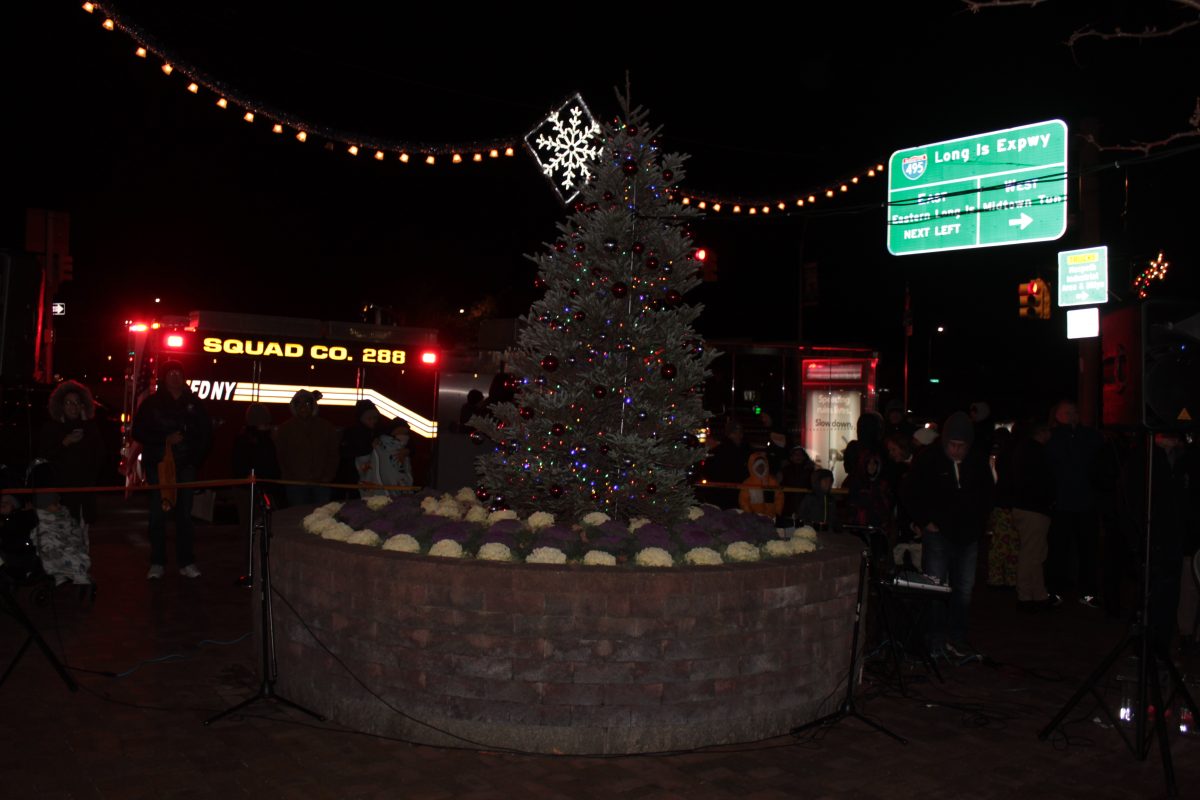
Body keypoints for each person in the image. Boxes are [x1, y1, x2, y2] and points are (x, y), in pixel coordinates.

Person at [900, 411, 993, 660]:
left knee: (963, 588)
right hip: (939, 533)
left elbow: (986, 496)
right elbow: (910, 491)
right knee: (936, 587)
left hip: (968, 535)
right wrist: (924, 520)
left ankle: (957, 637)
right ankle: (935, 638)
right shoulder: (929, 458)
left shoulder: (978, 461)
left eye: (961, 447)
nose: (956, 451)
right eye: (952, 445)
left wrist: (979, 525)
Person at [131, 360, 211, 579]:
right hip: (159, 466)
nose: (175, 376)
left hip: (185, 467)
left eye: (179, 372)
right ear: (164, 378)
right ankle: (157, 562)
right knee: (158, 515)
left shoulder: (195, 403)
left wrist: (194, 460)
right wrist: (164, 439)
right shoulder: (152, 404)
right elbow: (138, 431)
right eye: (171, 373)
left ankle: (186, 561)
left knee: (185, 516)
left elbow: (205, 435)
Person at [1044, 400, 1103, 608]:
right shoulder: (1053, 438)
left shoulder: (1088, 436)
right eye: (1067, 412)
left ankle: (1087, 592)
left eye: (1075, 412)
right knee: (1058, 550)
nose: (1073, 416)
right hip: (1061, 504)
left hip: (1085, 504)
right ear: (1057, 415)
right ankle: (1055, 590)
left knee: (1088, 550)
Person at [37, 380, 104, 525]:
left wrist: (87, 425)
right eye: (68, 403)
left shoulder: (90, 428)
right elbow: (44, 457)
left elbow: (98, 456)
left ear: (82, 405)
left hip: (84, 493)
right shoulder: (52, 428)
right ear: (61, 405)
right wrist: (65, 442)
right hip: (61, 494)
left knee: (83, 536)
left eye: (76, 402)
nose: (72, 407)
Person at [1009, 421, 1057, 611]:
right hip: (1034, 508)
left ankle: (1036, 593)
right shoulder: (1035, 452)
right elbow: (1041, 481)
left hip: (1028, 507)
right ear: (1042, 432)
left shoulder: (1024, 450)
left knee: (1034, 552)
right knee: (1032, 554)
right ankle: (1027, 595)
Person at [274, 389, 339, 507]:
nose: (303, 407)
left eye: (307, 403)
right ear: (294, 407)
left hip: (322, 483)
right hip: (295, 484)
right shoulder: (285, 429)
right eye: (299, 404)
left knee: (321, 517)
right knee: (297, 516)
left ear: (313, 406)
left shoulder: (326, 427)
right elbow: (280, 455)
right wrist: (289, 477)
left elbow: (333, 453)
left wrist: (327, 476)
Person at [231, 403, 280, 524]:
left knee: (256, 521)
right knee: (252, 521)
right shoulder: (251, 439)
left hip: (258, 486)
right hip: (250, 487)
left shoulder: (250, 438)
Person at [360, 418, 414, 497]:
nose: (403, 435)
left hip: (399, 495)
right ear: (391, 432)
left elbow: (406, 473)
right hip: (379, 495)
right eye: (399, 432)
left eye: (405, 433)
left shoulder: (404, 452)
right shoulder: (378, 447)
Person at [738, 451, 784, 520]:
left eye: (762, 466)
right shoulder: (747, 483)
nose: (761, 468)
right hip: (754, 518)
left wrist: (777, 514)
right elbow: (743, 501)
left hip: (771, 518)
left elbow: (779, 499)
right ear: (753, 467)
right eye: (758, 466)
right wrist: (750, 515)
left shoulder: (772, 481)